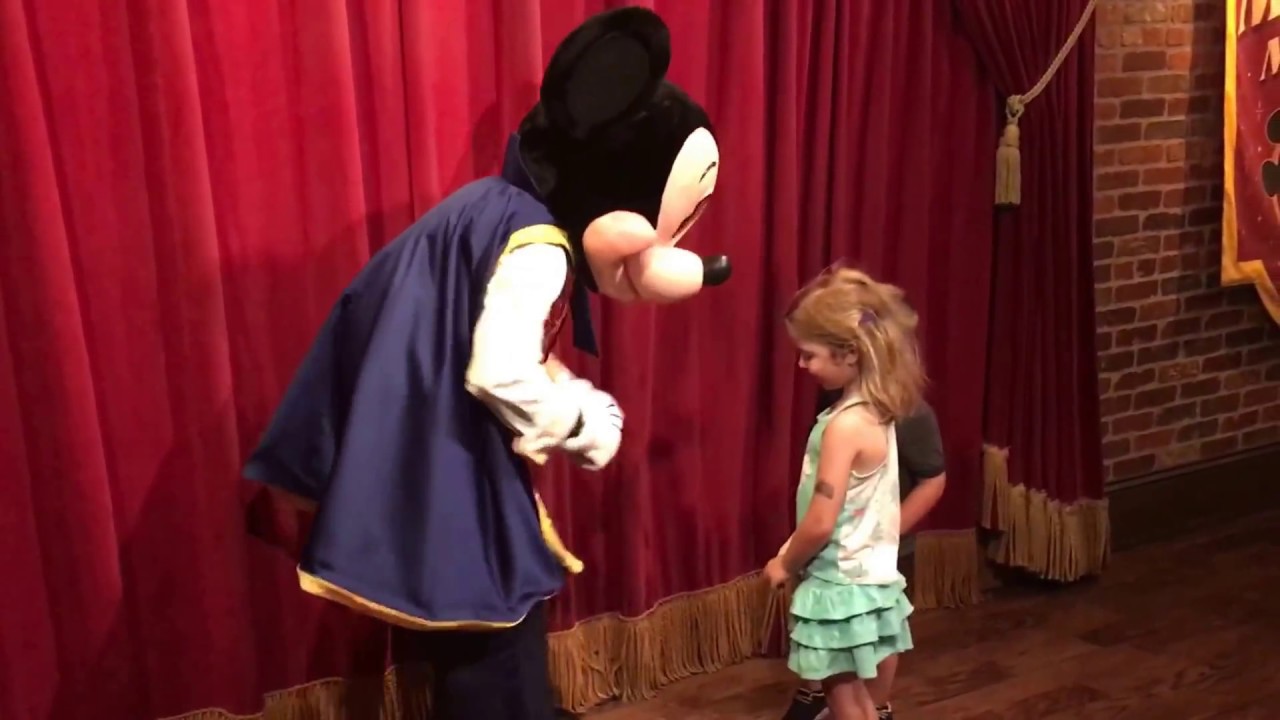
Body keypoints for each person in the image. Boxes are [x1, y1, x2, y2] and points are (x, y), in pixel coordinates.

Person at [242, 8, 731, 720]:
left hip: (427, 465)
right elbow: (498, 370)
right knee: (495, 658)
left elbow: (426, 327)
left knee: (490, 654)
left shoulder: (487, 208)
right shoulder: (535, 243)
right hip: (452, 481)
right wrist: (587, 422)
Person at [763, 267, 930, 720]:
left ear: (850, 354)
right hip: (872, 579)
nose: (803, 365)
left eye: (809, 355)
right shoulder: (878, 413)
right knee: (861, 700)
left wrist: (784, 563)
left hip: (839, 585)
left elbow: (820, 521)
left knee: (843, 699)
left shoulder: (844, 427)